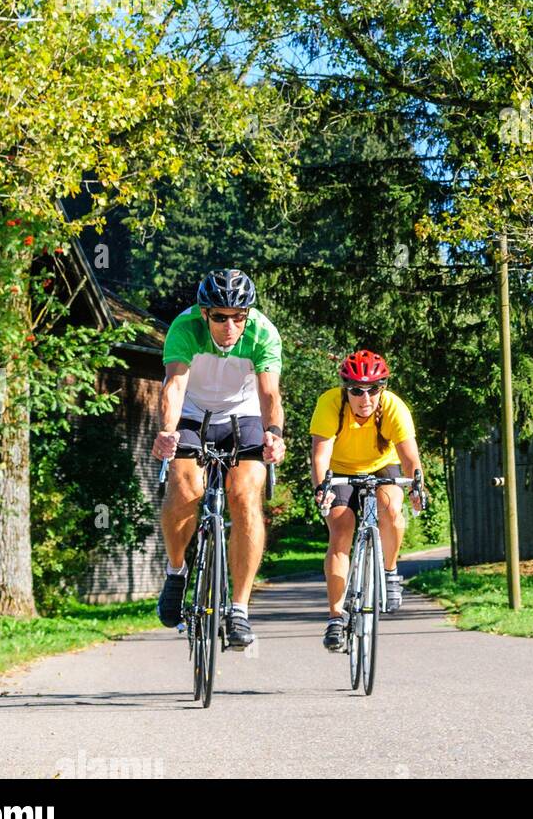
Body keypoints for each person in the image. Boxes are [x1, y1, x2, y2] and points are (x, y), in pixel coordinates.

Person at [150, 269, 285, 649]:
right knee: (185, 488)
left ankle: (239, 609)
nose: (230, 326)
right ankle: (177, 572)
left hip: (243, 415)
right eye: (220, 317)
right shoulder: (185, 327)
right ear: (204, 313)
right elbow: (174, 385)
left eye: (238, 317)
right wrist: (167, 431)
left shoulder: (262, 332)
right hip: (192, 412)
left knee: (245, 496)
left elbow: (270, 395)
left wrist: (274, 435)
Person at [310, 349, 423, 651]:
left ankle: (389, 572)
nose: (365, 397)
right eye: (357, 390)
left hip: (382, 466)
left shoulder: (393, 407)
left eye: (373, 389)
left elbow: (409, 456)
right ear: (345, 390)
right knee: (340, 529)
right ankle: (335, 617)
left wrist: (416, 486)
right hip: (341, 470)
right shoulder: (330, 404)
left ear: (382, 389)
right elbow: (320, 454)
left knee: (391, 510)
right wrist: (322, 487)